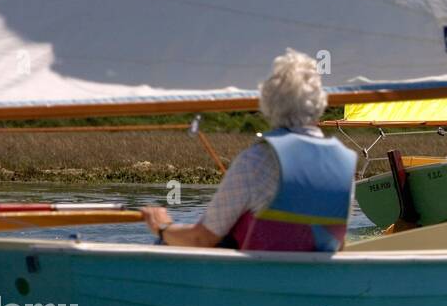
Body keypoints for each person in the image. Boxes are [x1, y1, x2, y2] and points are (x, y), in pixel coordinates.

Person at [139, 50, 357, 251]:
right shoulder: (345, 164)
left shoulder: (256, 160)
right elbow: (338, 244)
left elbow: (201, 239)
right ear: (321, 104)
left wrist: (163, 227)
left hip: (257, 283)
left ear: (267, 106)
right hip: (315, 283)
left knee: (168, 240)